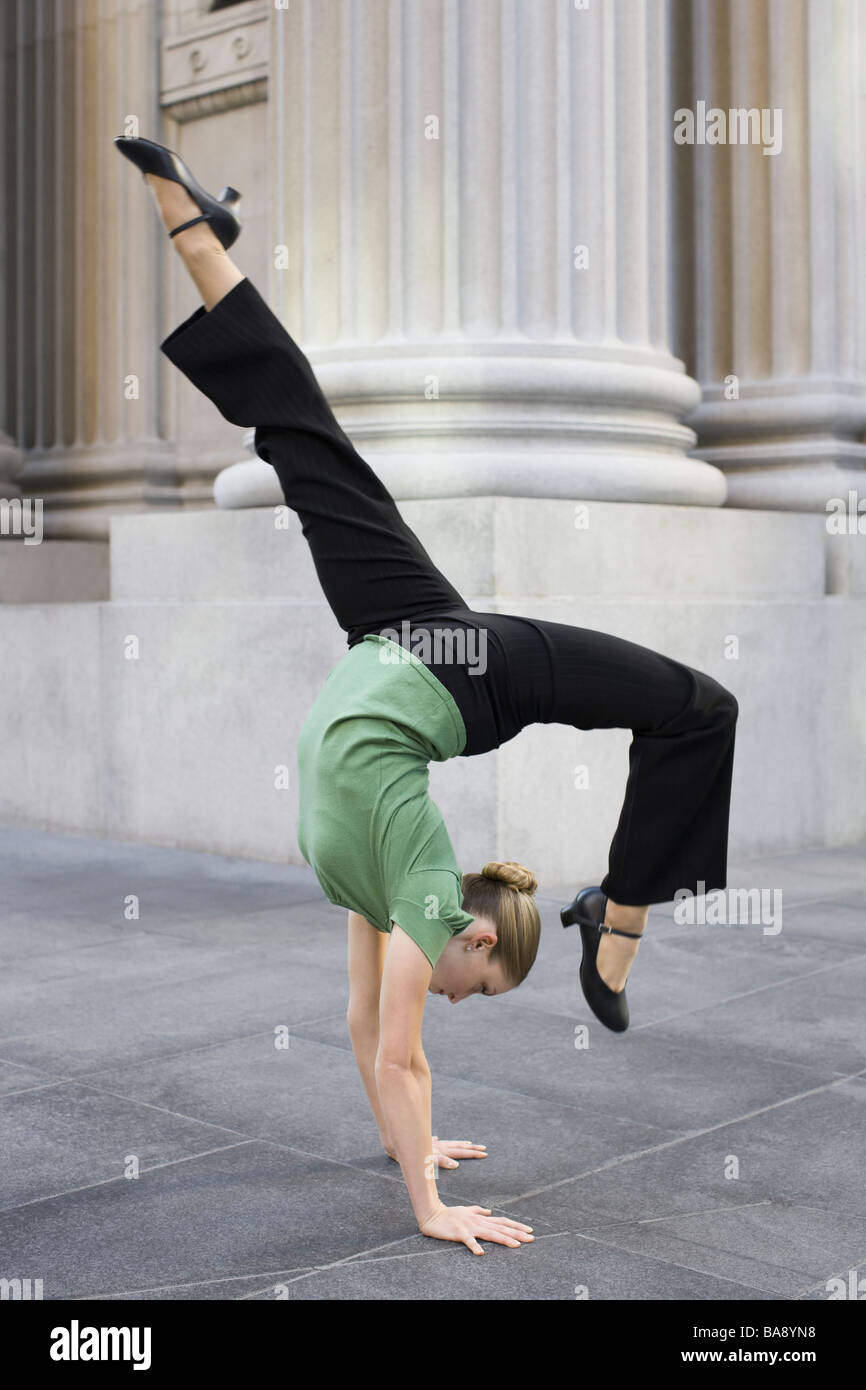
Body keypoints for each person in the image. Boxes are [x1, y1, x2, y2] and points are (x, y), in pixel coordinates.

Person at [114, 136, 739, 1257]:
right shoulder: (413, 876)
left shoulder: (378, 885)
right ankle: (620, 917)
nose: (461, 999)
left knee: (302, 438)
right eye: (482, 983)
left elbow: (367, 1029)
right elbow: (402, 1052)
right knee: (699, 706)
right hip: (472, 665)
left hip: (397, 636)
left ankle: (195, 228)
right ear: (471, 934)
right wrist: (428, 1205)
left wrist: (417, 1142)